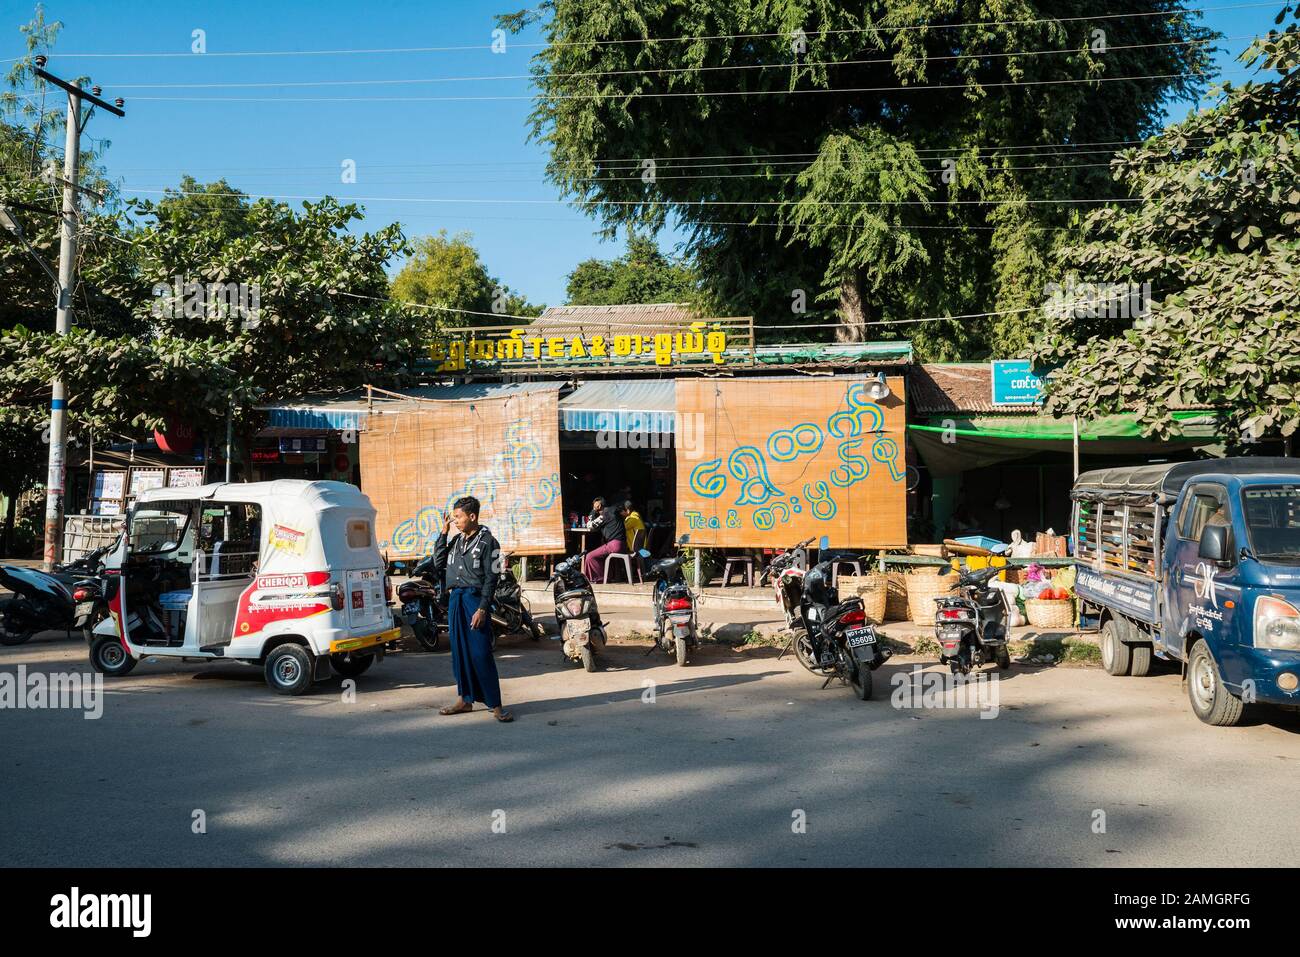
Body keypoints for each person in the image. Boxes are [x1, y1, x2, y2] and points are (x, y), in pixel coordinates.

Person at [431, 496, 513, 722]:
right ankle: (464, 699)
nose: (455, 520)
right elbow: (438, 563)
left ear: (472, 516)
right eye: (454, 517)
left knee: (480, 653)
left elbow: (492, 578)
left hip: (475, 601)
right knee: (459, 653)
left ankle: (496, 705)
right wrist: (443, 533)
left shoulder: (490, 543)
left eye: (458, 517)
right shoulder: (456, 541)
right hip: (455, 600)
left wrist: (483, 609)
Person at [583, 495, 627, 583]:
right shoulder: (614, 510)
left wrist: (593, 511)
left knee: (589, 556)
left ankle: (599, 578)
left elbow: (590, 526)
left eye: (594, 506)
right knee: (601, 552)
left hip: (614, 545)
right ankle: (608, 576)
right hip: (623, 544)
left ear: (598, 506)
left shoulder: (604, 515)